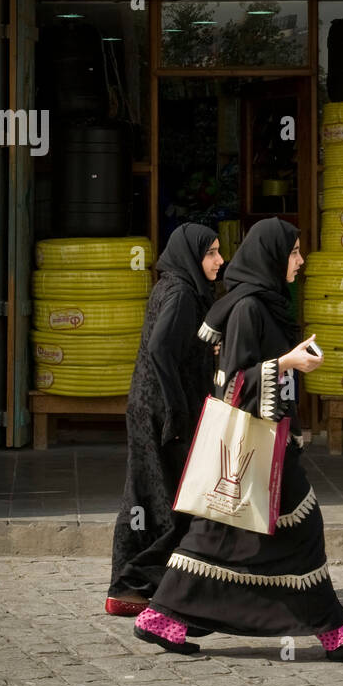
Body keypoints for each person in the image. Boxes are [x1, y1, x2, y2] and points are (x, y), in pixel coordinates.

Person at [133, 218, 343, 661]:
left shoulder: (265, 303)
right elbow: (232, 384)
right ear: (272, 257)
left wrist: (289, 364)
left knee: (228, 535)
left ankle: (164, 617)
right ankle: (336, 635)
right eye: (293, 252)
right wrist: (288, 363)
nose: (301, 260)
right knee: (292, 529)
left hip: (269, 443)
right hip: (253, 446)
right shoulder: (249, 308)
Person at [107, 224, 222, 616]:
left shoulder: (174, 285)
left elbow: (175, 344)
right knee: (166, 500)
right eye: (211, 253)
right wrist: (176, 410)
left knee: (144, 495)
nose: (219, 261)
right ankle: (140, 585)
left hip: (150, 408)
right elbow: (160, 350)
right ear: (192, 256)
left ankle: (130, 587)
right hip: (163, 413)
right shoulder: (182, 293)